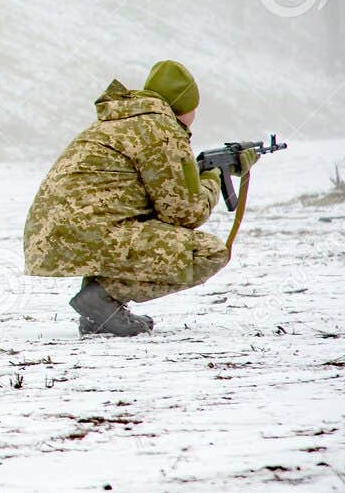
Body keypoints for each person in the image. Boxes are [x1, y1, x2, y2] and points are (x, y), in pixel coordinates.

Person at [24, 60, 238, 336]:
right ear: (184, 106)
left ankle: (100, 314)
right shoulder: (160, 129)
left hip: (50, 235)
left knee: (130, 226)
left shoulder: (120, 120)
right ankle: (101, 298)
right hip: (87, 233)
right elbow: (186, 213)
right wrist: (212, 178)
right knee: (208, 252)